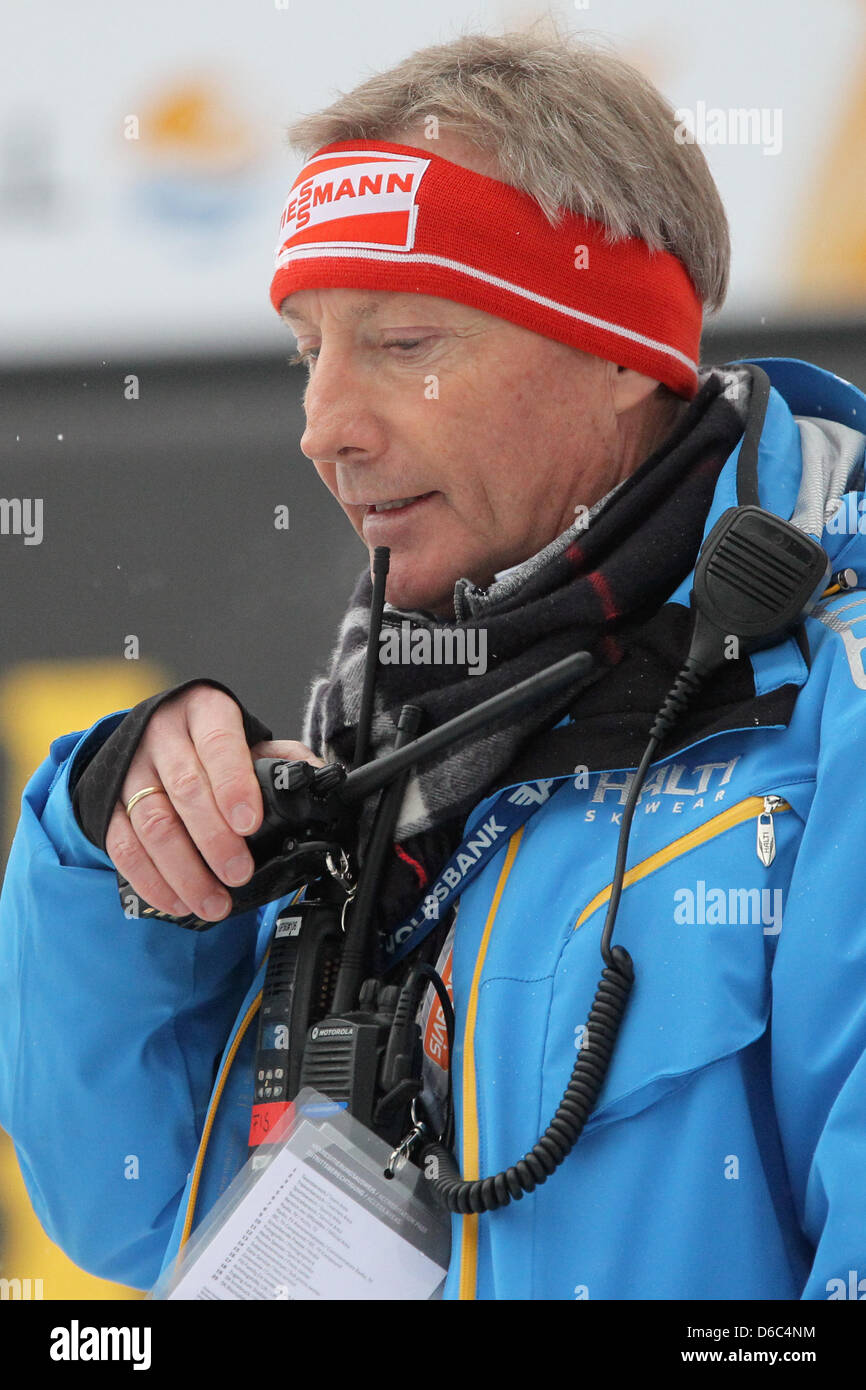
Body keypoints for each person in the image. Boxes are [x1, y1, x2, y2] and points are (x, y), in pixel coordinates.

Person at [2, 26, 866, 1301]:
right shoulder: (396, 714)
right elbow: (137, 1220)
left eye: (405, 344)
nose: (322, 429)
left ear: (624, 349)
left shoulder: (827, 701)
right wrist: (105, 848)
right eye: (310, 354)